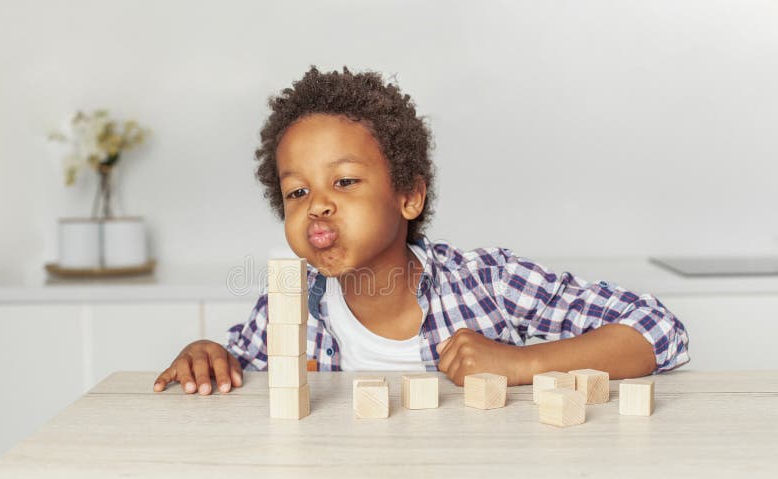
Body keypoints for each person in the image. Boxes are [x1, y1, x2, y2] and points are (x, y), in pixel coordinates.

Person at [153, 65, 689, 395]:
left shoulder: (489, 284)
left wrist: (523, 363)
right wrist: (207, 354)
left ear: (409, 195)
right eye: (297, 192)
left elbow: (658, 331)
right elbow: (237, 364)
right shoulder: (286, 302)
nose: (316, 206)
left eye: (343, 182)